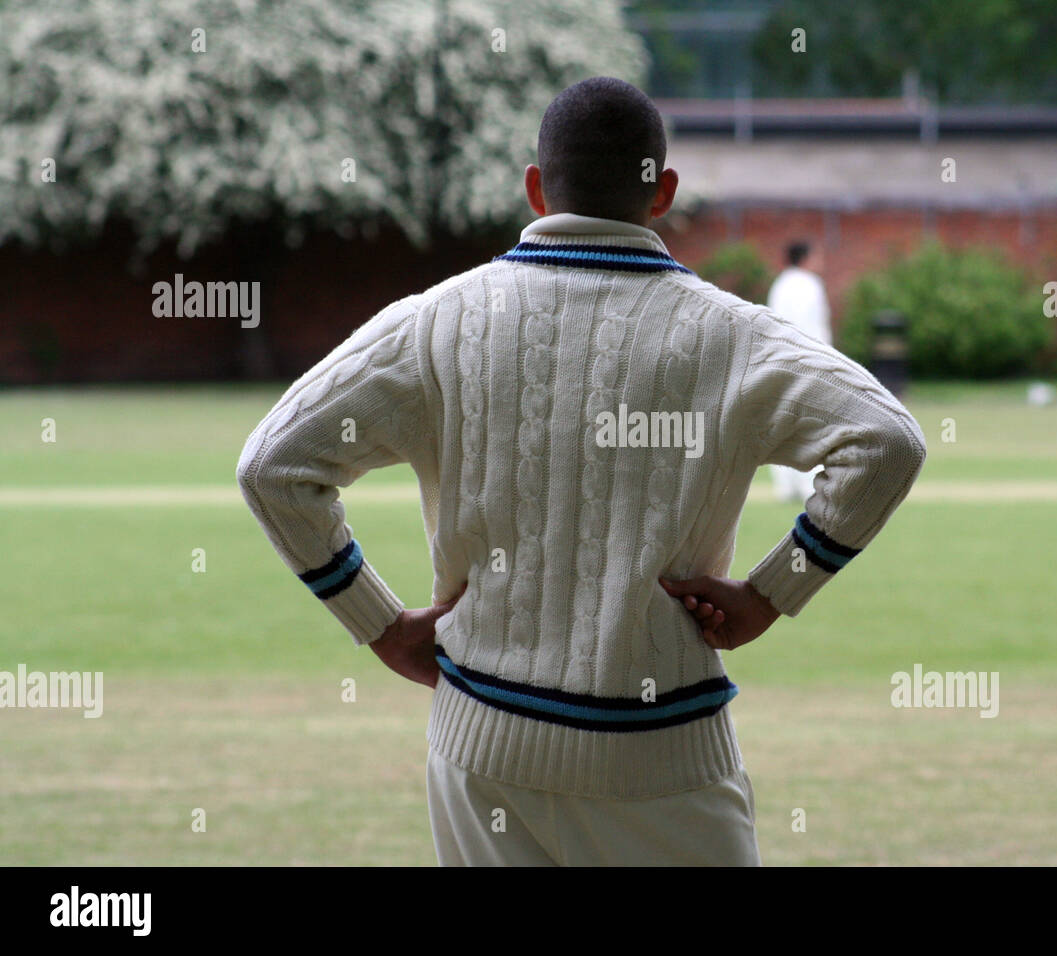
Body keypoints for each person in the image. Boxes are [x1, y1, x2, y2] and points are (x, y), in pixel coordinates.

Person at [236, 77, 926, 866]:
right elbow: (887, 442)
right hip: (665, 762)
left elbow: (273, 464)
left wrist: (382, 627)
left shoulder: (438, 321)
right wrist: (773, 594)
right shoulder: (735, 338)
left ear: (536, 188)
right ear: (663, 192)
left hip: (482, 752)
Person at [767, 240, 834, 502]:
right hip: (810, 362)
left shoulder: (780, 284)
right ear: (806, 257)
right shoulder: (810, 285)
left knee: (782, 423)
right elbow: (817, 327)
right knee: (812, 423)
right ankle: (809, 485)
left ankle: (786, 487)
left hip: (782, 362)